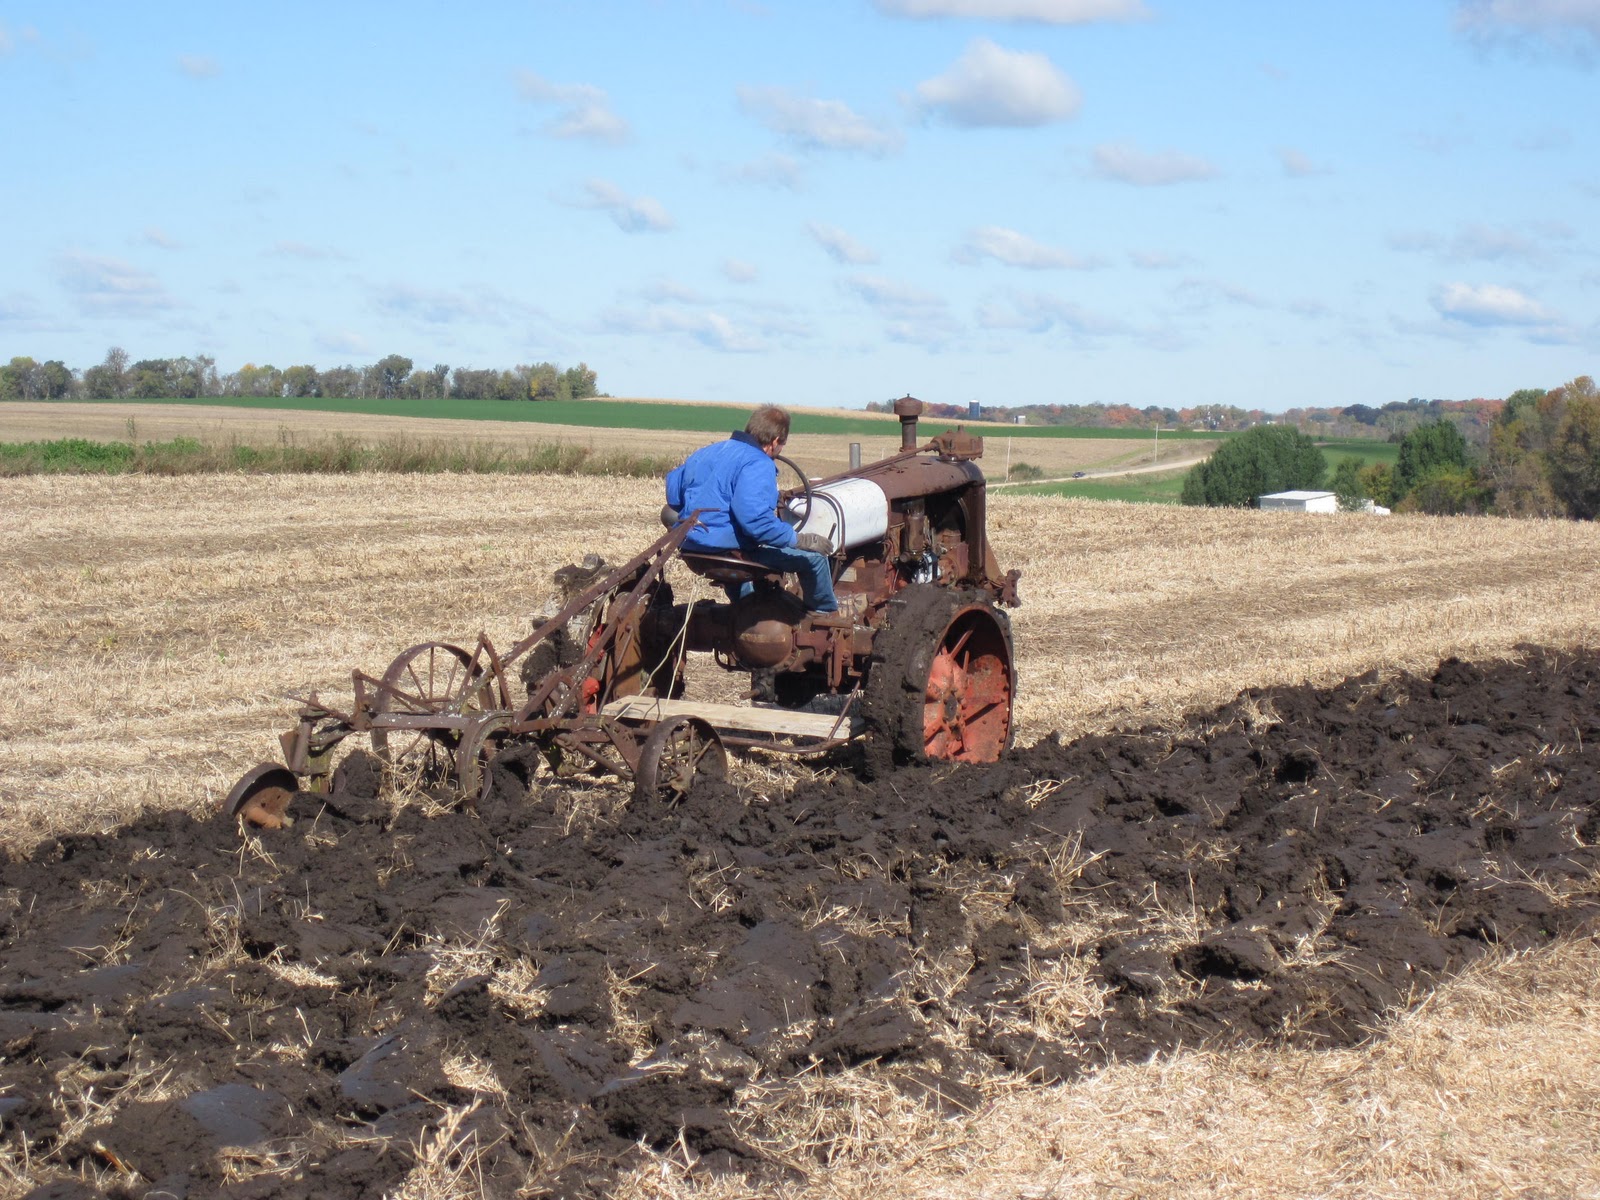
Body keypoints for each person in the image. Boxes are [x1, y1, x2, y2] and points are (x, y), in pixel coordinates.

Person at [665, 405, 838, 615]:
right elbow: (756, 522)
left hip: (693, 550)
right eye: (782, 444)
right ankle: (824, 618)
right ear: (775, 441)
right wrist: (800, 540)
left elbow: (674, 495)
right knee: (815, 559)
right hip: (729, 555)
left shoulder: (707, 452)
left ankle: (747, 612)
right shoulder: (758, 463)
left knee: (742, 547)